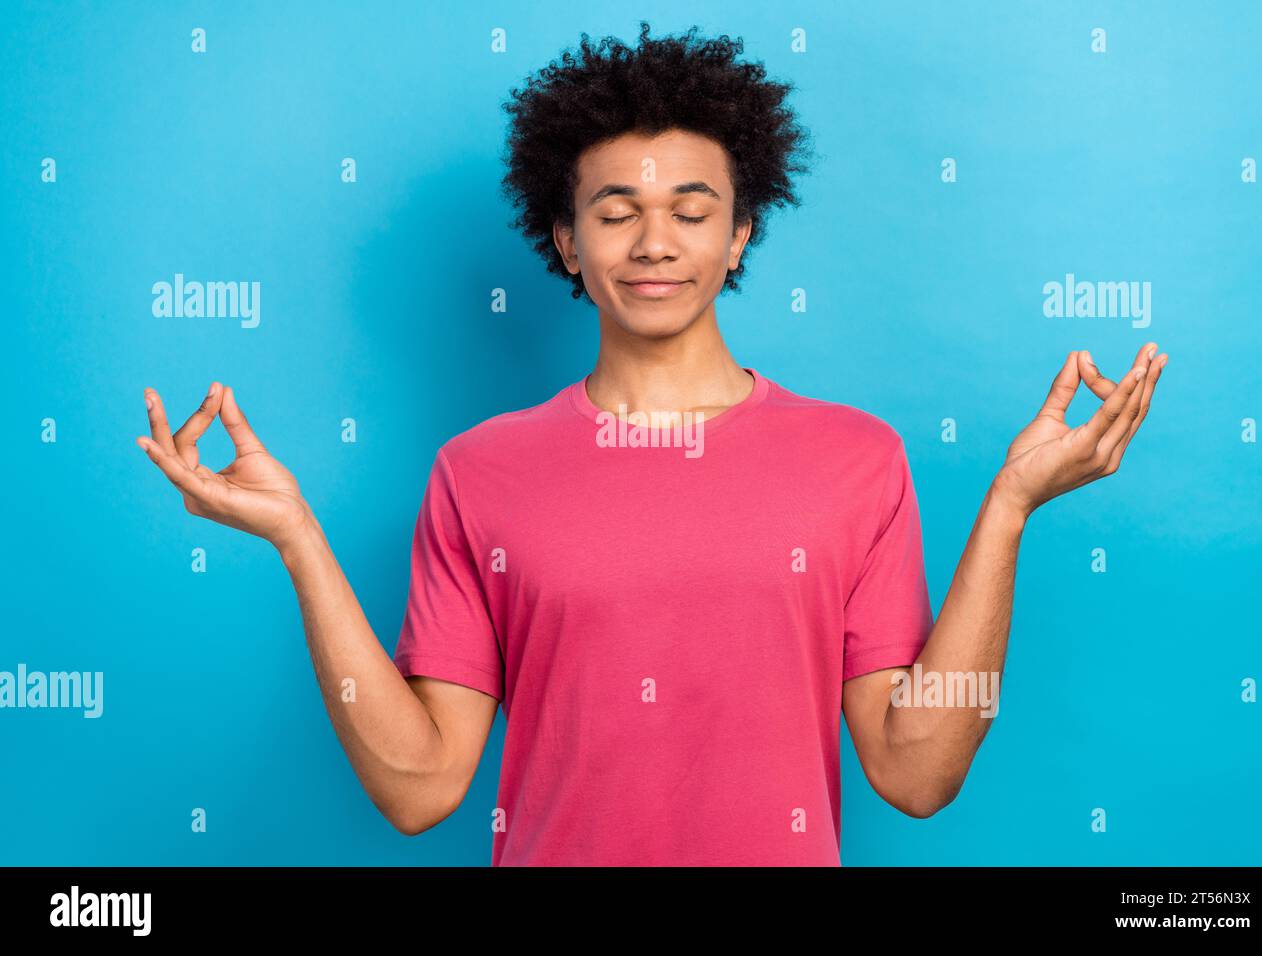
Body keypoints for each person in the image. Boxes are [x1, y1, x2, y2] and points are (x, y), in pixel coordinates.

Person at [135, 22, 1167, 866]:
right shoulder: (477, 471)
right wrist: (299, 539)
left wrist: (1008, 510)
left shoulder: (857, 459)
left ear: (741, 232)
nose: (656, 243)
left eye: (691, 210)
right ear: (566, 241)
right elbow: (421, 788)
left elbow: (916, 771)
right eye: (616, 211)